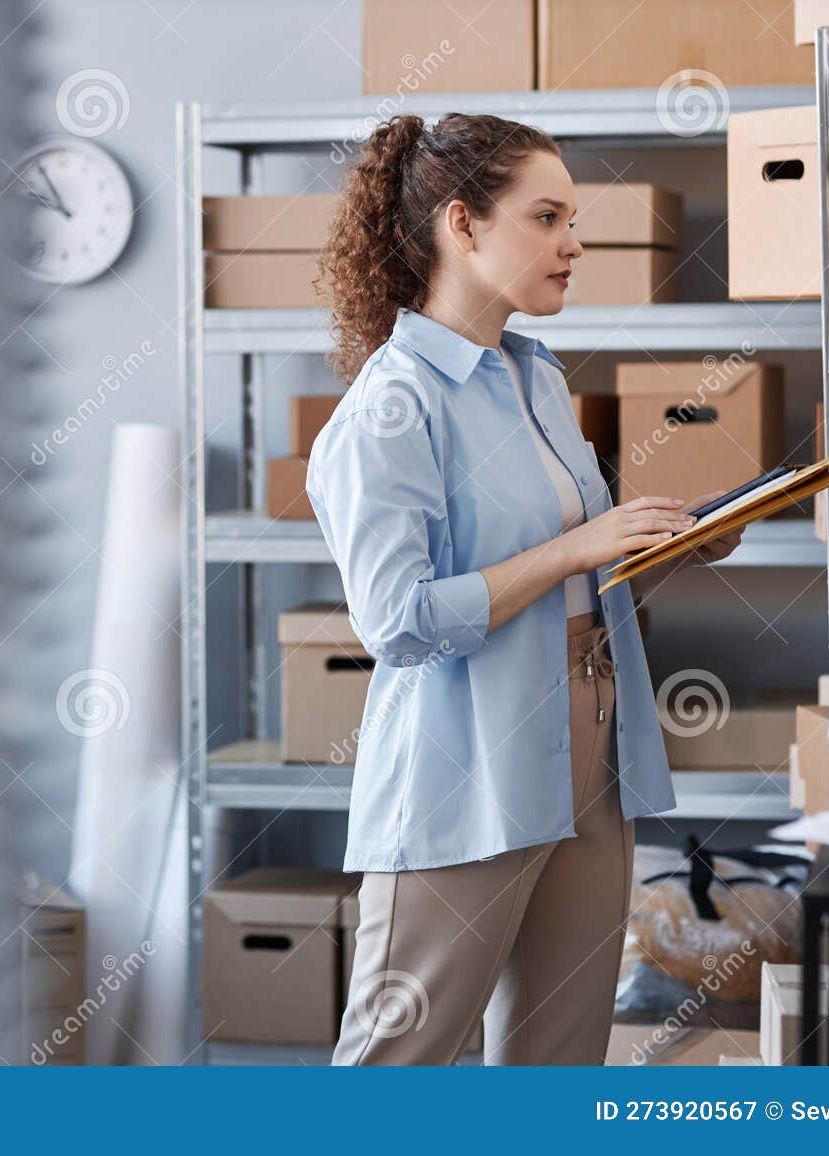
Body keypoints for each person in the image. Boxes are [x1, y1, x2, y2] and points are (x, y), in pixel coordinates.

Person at [306, 113, 743, 1065]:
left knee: (560, 1054)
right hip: (468, 763)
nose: (574, 243)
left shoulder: (535, 378)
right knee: (397, 1060)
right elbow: (398, 621)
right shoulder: (391, 407)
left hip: (590, 743)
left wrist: (669, 545)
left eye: (574, 218)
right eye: (547, 217)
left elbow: (577, 573)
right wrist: (575, 546)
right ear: (462, 226)